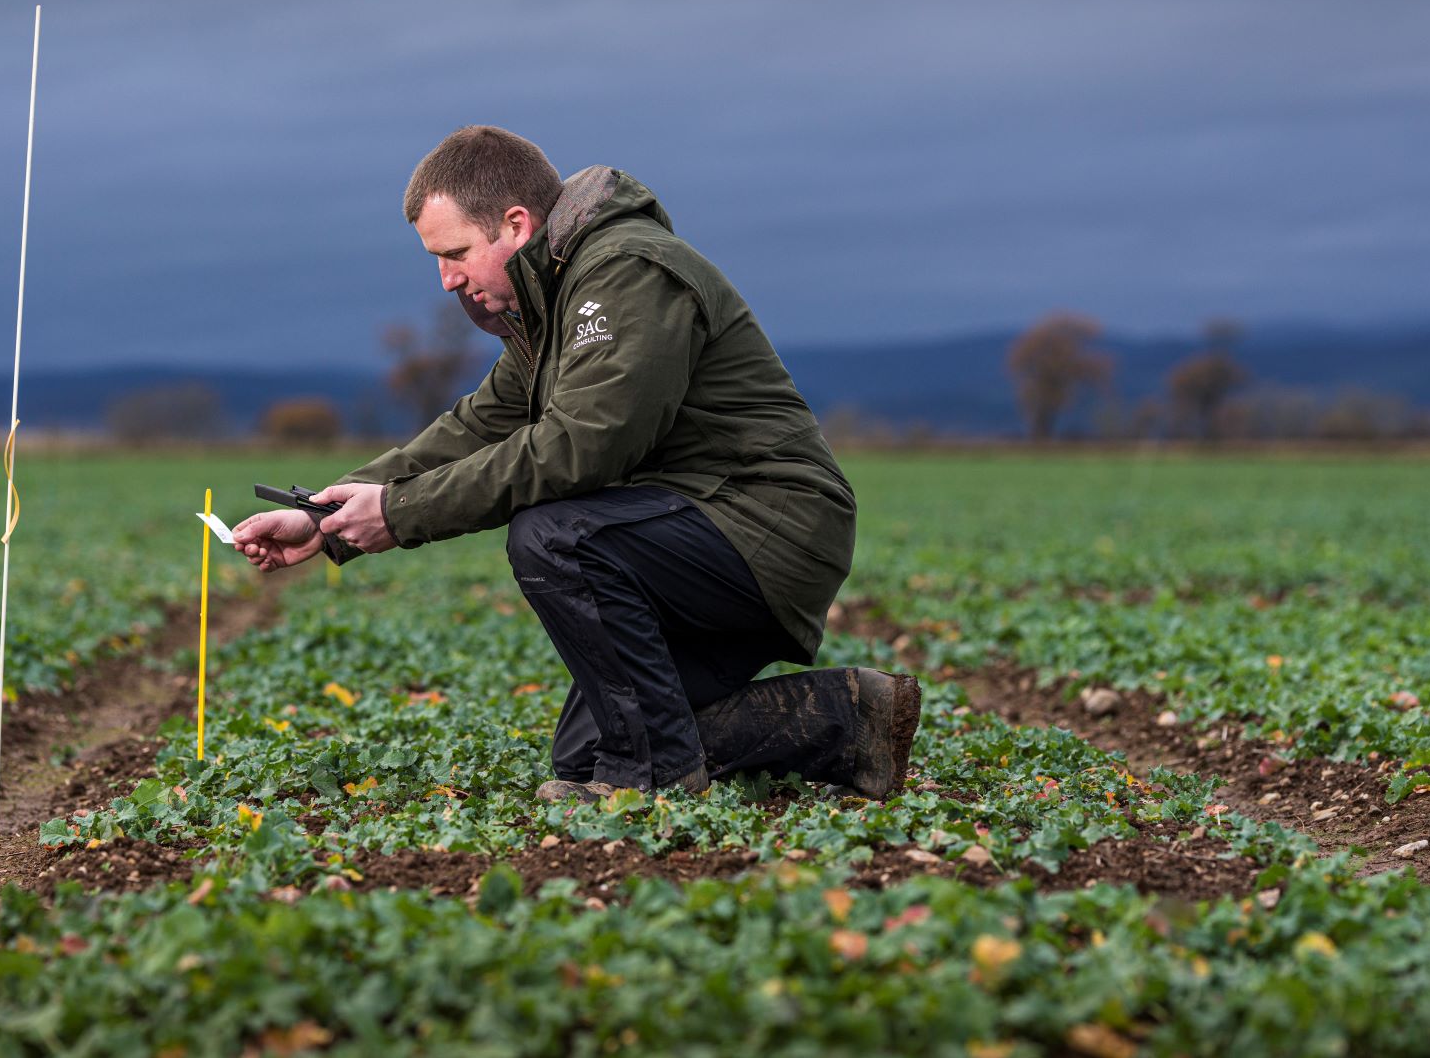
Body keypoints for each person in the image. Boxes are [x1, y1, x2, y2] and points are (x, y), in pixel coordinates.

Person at [232, 125, 920, 802]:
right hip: (691, 532)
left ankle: (653, 779)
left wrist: (400, 513)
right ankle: (848, 718)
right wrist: (321, 516)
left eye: (456, 253)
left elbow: (586, 444)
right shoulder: (551, 304)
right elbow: (478, 426)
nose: (446, 280)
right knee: (591, 752)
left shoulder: (627, 271)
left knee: (556, 536)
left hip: (763, 524)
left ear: (516, 225)